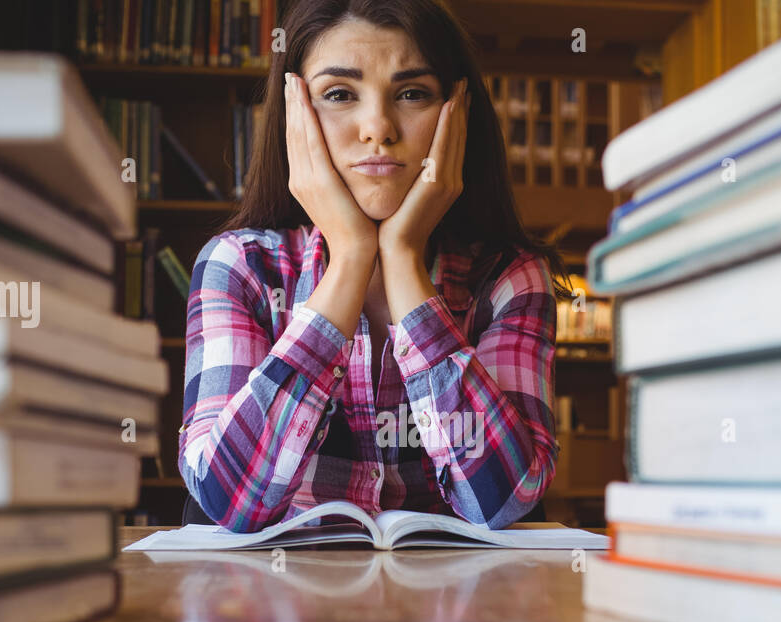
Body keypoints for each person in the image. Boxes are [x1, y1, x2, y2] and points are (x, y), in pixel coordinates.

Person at [180, 0, 567, 532]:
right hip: (284, 598)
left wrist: (404, 259)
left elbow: (504, 498)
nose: (379, 129)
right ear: (296, 115)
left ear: (458, 113)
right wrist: (351, 259)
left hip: (460, 604)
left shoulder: (509, 279)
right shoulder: (240, 266)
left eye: (412, 94)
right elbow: (228, 499)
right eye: (339, 94)